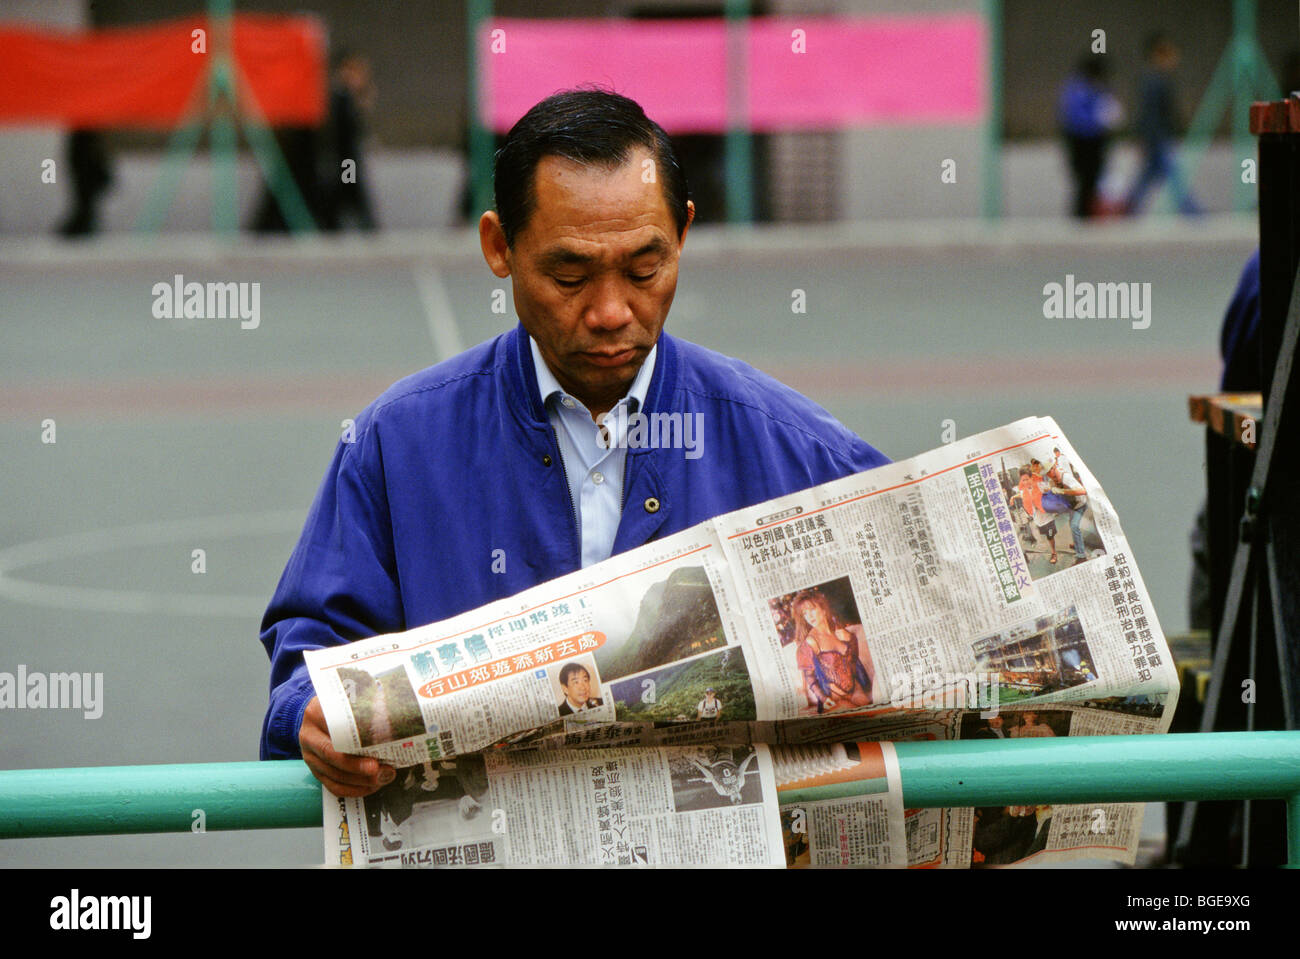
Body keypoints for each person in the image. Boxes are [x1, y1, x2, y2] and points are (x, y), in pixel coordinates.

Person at [260, 88, 891, 795]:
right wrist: (306, 716)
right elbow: (311, 644)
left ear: (682, 234)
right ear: (499, 247)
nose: (611, 311)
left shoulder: (800, 451)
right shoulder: (393, 444)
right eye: (570, 275)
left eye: (644, 269)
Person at [1123, 33, 1201, 216]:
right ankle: (1191, 211)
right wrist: (1147, 139)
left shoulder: (1155, 79)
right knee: (1172, 175)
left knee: (1149, 176)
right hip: (1158, 138)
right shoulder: (1153, 80)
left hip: (1158, 137)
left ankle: (1128, 209)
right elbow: (1149, 114)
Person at [1057, 54, 1123, 218]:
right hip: (1084, 141)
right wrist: (1100, 123)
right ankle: (1082, 212)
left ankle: (1086, 211)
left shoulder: (1089, 88)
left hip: (1090, 140)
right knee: (1086, 178)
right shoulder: (1081, 89)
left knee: (1090, 179)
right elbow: (1077, 118)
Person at [792, 589, 874, 712]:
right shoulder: (811, 641)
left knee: (872, 711)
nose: (809, 616)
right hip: (834, 698)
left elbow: (853, 662)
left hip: (856, 691)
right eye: (805, 613)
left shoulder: (841, 633)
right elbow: (810, 677)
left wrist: (850, 639)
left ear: (824, 610)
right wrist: (823, 698)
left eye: (812, 609)